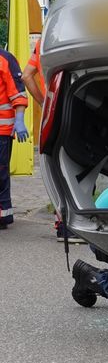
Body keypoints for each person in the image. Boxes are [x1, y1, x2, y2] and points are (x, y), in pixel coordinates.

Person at [0, 47, 30, 230]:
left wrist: (19, 119)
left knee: (0, 174)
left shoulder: (5, 59)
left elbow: (18, 92)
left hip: (2, 129)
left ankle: (3, 216)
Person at [22, 36, 44, 108]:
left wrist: (43, 103)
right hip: (71, 99)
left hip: (51, 104)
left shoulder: (41, 42)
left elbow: (26, 76)